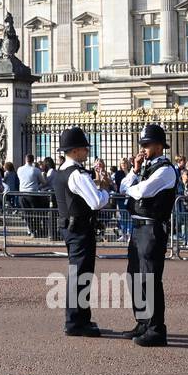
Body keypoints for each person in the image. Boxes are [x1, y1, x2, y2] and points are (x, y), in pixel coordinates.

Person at [119, 123, 178, 347]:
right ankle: (142, 321)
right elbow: (124, 183)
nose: (143, 148)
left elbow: (142, 191)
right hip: (138, 227)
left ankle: (156, 328)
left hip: (152, 227)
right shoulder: (145, 167)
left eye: (147, 144)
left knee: (150, 278)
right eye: (142, 144)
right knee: (134, 276)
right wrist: (134, 170)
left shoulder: (165, 170)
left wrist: (129, 187)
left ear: (160, 145)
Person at [52, 126, 111, 337]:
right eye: (85, 149)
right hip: (80, 228)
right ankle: (76, 321)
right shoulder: (77, 173)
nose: (87, 152)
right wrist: (105, 190)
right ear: (76, 150)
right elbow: (96, 202)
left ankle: (81, 318)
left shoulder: (60, 171)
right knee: (81, 275)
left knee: (80, 274)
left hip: (70, 227)